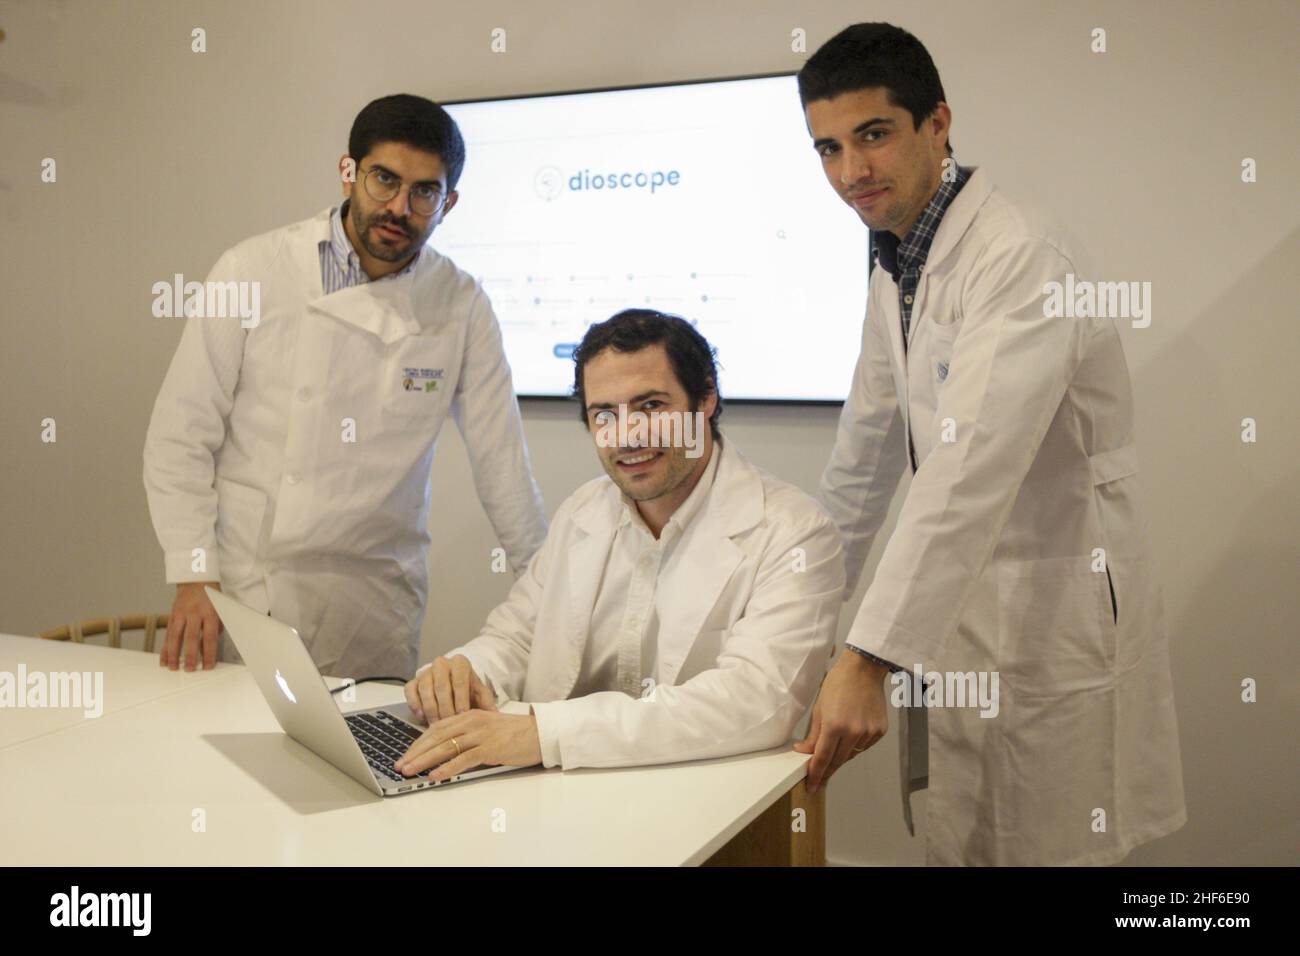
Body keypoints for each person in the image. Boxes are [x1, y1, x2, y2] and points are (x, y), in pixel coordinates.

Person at [795, 23, 1186, 865]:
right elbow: (864, 454)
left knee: (1048, 842)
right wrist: (801, 608)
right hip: (964, 608)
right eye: (827, 147)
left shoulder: (1018, 252)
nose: (850, 172)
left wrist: (865, 654)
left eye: (873, 135)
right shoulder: (895, 257)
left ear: (937, 123)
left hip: (1054, 603)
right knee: (966, 837)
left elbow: (966, 468)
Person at [143, 94, 547, 678]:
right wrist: (193, 573)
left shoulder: (460, 304)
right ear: (349, 172)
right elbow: (180, 435)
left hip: (376, 601)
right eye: (383, 179)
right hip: (252, 586)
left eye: (423, 192)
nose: (399, 207)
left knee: (365, 763)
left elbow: (503, 463)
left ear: (448, 202)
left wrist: (547, 589)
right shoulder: (251, 271)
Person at [393, 310, 843, 777]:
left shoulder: (795, 533)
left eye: (651, 406)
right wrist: (465, 671)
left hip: (704, 806)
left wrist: (543, 733)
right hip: (563, 796)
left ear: (706, 398)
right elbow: (515, 638)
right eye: (604, 414)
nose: (628, 435)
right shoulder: (582, 512)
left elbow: (757, 703)